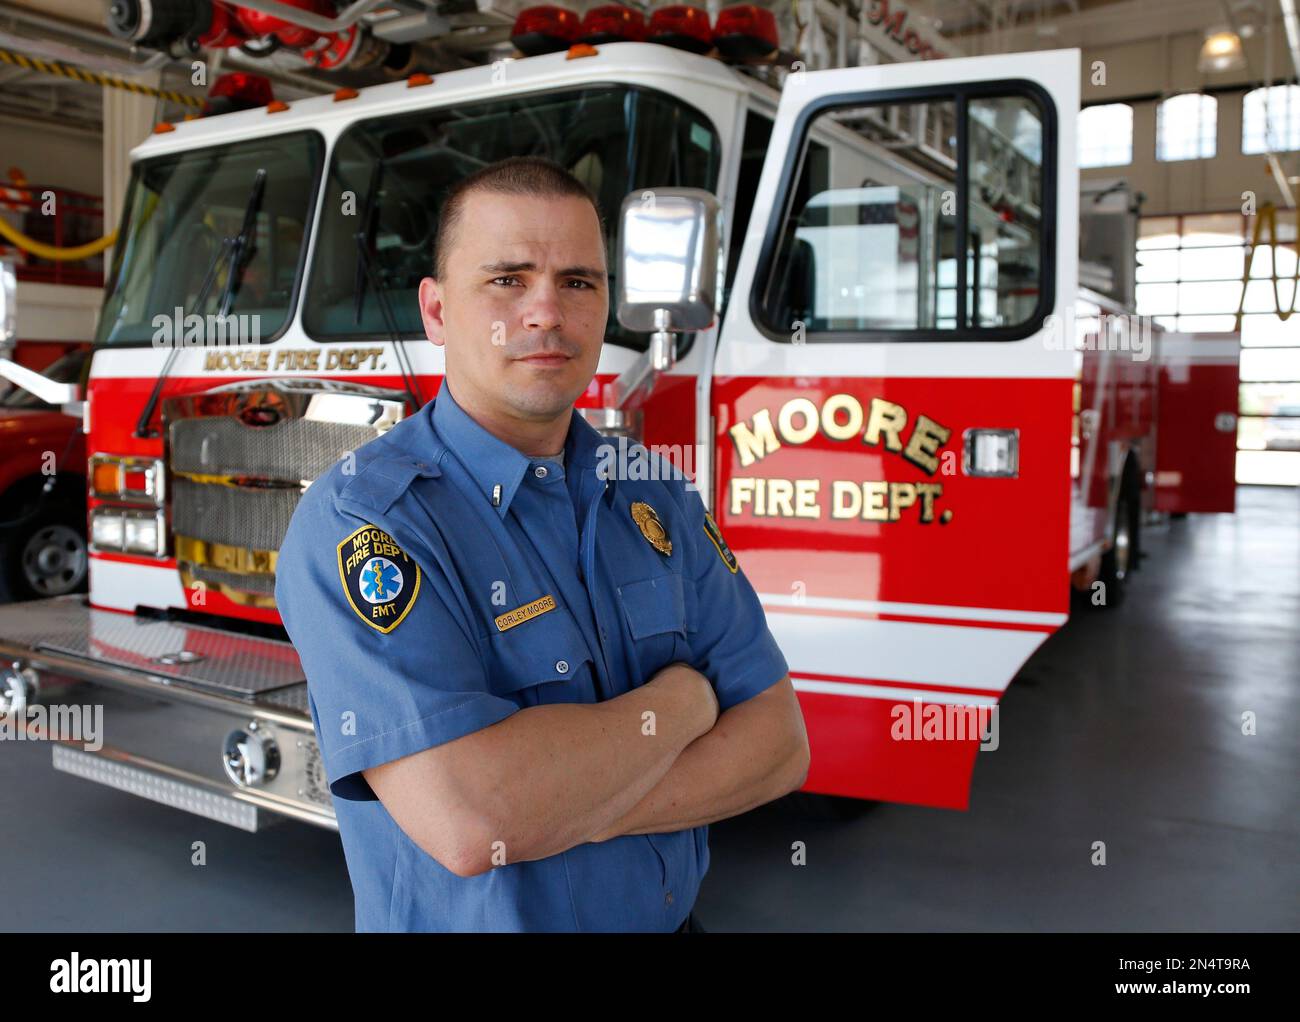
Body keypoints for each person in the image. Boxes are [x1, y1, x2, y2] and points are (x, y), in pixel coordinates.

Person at [274, 155, 809, 932]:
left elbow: (780, 744)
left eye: (579, 283)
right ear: (435, 312)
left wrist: (558, 810)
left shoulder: (653, 493)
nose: (547, 313)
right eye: (506, 280)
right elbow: (473, 819)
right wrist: (685, 701)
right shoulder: (367, 523)